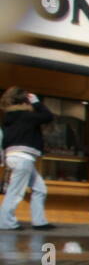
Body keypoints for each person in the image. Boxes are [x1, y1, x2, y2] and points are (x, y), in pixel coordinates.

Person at [1, 87, 55, 231]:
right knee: (15, 192)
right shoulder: (26, 116)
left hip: (15, 157)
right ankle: (5, 222)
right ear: (25, 101)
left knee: (40, 189)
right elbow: (48, 116)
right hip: (23, 158)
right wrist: (37, 103)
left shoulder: (9, 118)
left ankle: (39, 222)